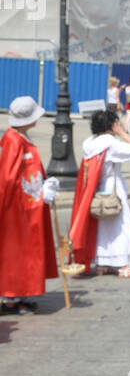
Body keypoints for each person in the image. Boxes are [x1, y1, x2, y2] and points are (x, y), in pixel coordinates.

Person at [0, 96, 59, 314]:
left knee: (24, 252)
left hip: (26, 205)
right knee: (16, 252)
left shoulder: (20, 137)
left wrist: (43, 184)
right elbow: (8, 178)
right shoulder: (14, 140)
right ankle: (11, 299)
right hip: (18, 209)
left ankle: (20, 294)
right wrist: (37, 193)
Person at [69, 108, 130, 277]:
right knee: (121, 225)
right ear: (111, 125)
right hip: (113, 186)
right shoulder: (110, 142)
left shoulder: (89, 142)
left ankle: (103, 263)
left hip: (98, 188)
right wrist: (122, 133)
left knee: (102, 228)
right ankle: (124, 265)